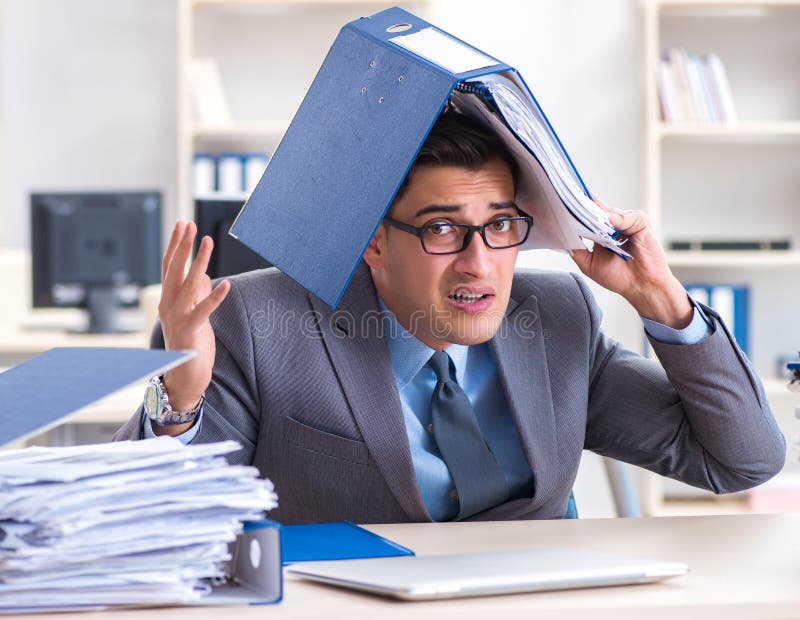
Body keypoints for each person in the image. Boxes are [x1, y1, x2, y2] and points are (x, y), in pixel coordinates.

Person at [115, 111, 785, 524]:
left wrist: (663, 303)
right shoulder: (256, 322)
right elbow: (141, 520)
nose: (478, 262)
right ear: (373, 241)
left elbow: (742, 462)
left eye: (499, 226)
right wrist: (180, 399)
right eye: (442, 229)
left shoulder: (557, 316)